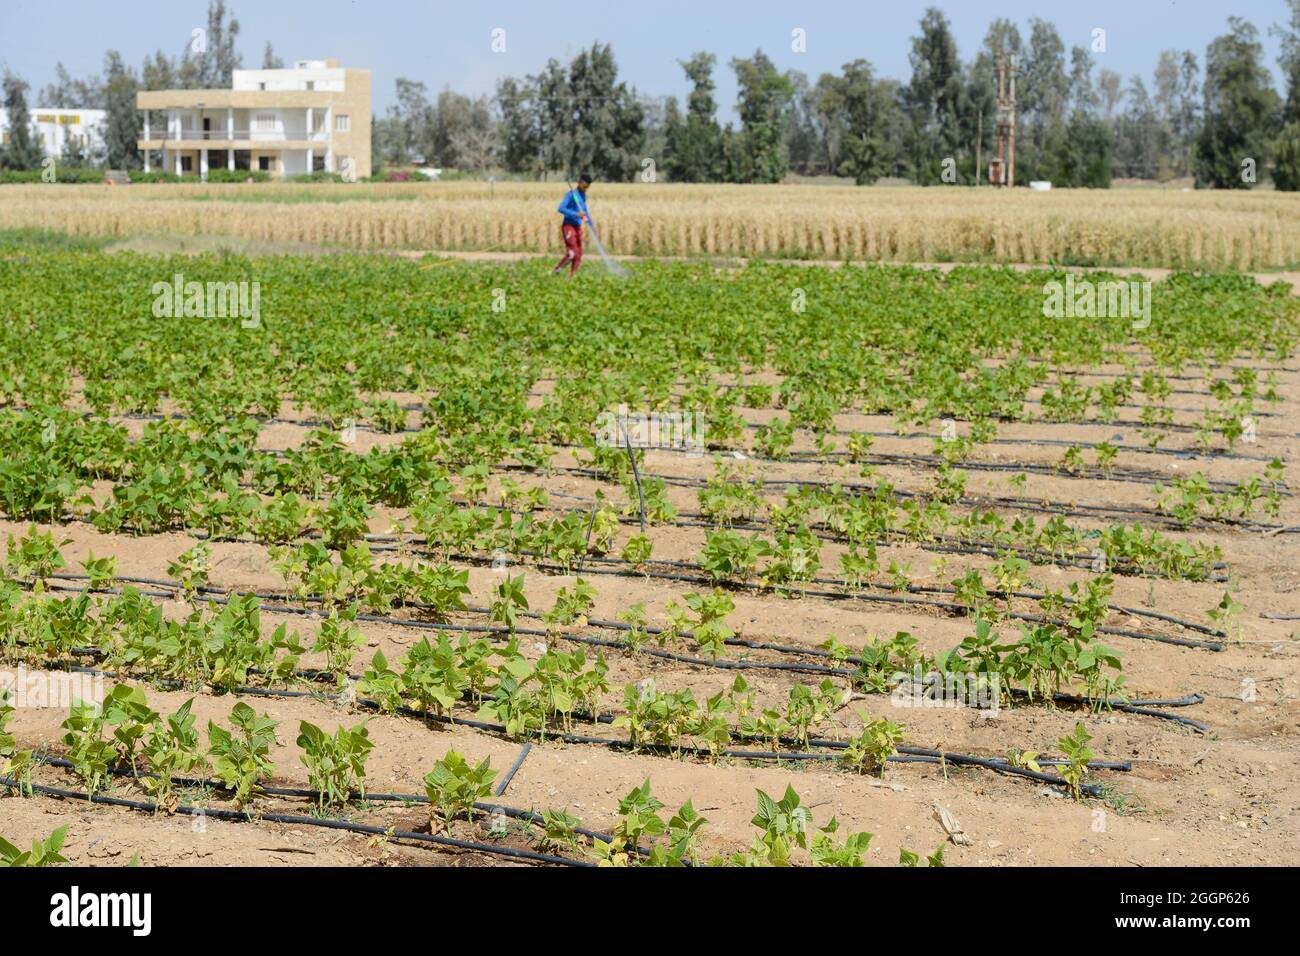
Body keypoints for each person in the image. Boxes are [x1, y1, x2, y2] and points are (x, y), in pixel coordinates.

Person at [554, 174, 592, 276]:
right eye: (584, 187)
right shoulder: (571, 195)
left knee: (579, 254)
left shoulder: (583, 195)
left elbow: (585, 211)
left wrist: (591, 226)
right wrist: (576, 214)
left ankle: (572, 277)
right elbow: (561, 208)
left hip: (577, 227)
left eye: (587, 188)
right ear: (579, 183)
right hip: (568, 226)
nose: (585, 189)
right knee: (572, 253)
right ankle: (557, 270)